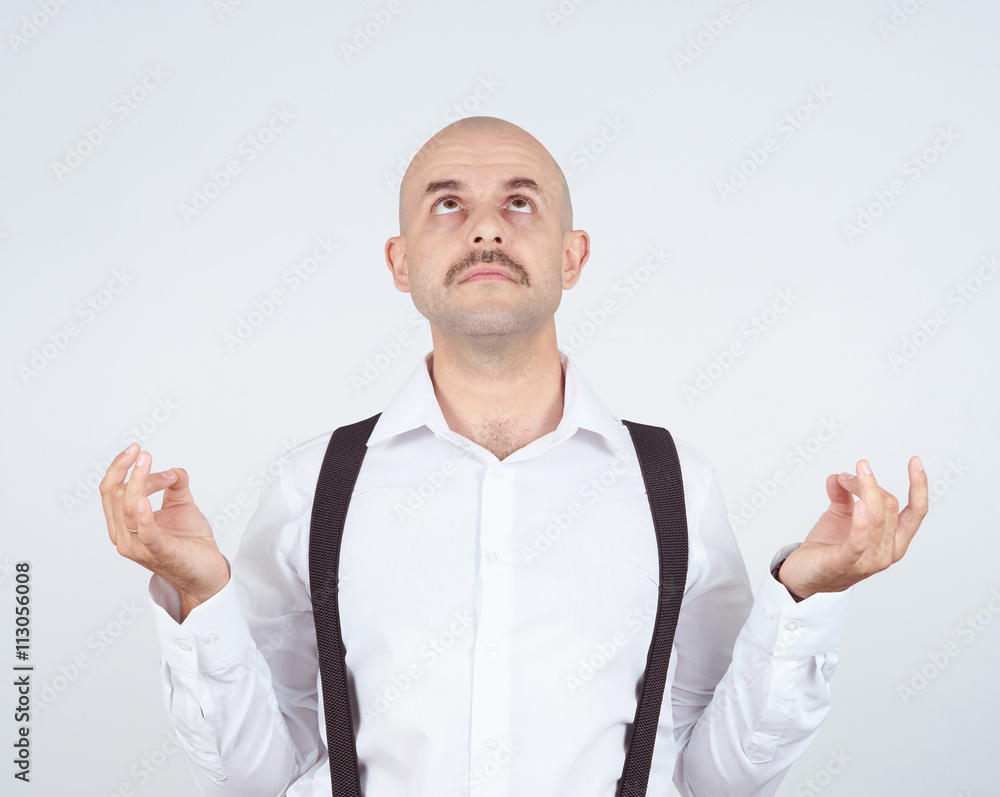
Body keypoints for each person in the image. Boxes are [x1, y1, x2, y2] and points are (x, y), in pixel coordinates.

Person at [100, 116, 928, 796]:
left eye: (521, 203)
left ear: (573, 256)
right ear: (401, 262)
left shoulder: (672, 482)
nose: (488, 225)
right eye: (448, 203)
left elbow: (718, 777)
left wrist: (806, 597)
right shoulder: (316, 485)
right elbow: (257, 772)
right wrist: (201, 596)